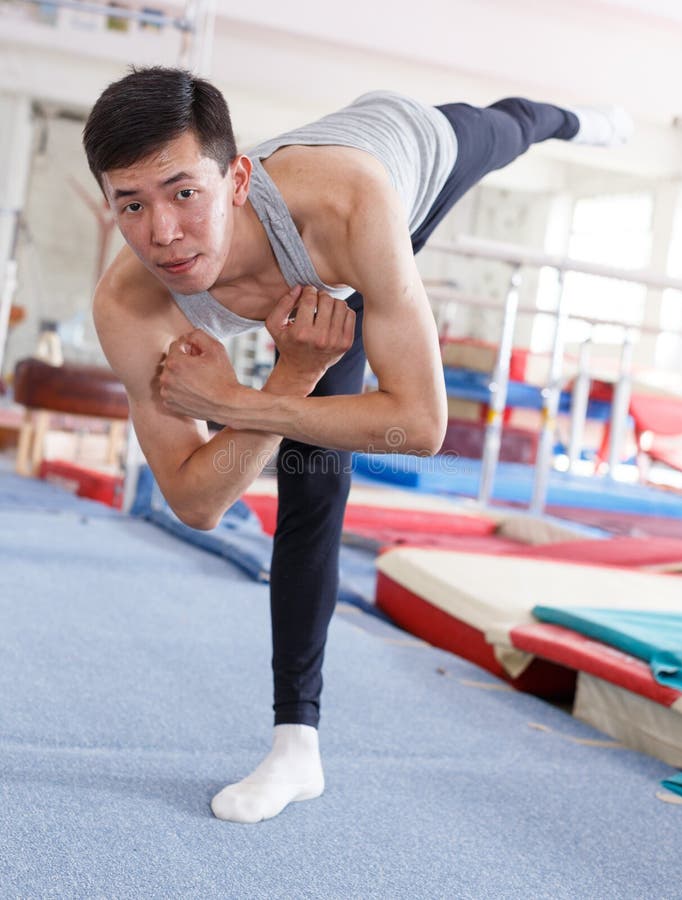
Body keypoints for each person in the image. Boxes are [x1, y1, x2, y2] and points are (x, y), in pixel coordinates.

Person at [83, 66, 631, 824]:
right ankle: (295, 749)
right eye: (131, 206)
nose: (164, 234)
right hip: (315, 314)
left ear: (238, 178)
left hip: (407, 151)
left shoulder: (348, 205)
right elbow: (194, 501)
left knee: (508, 127)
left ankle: (572, 116)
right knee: (313, 479)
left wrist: (243, 403)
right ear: (110, 207)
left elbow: (420, 425)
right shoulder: (129, 302)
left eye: (184, 193)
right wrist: (293, 376)